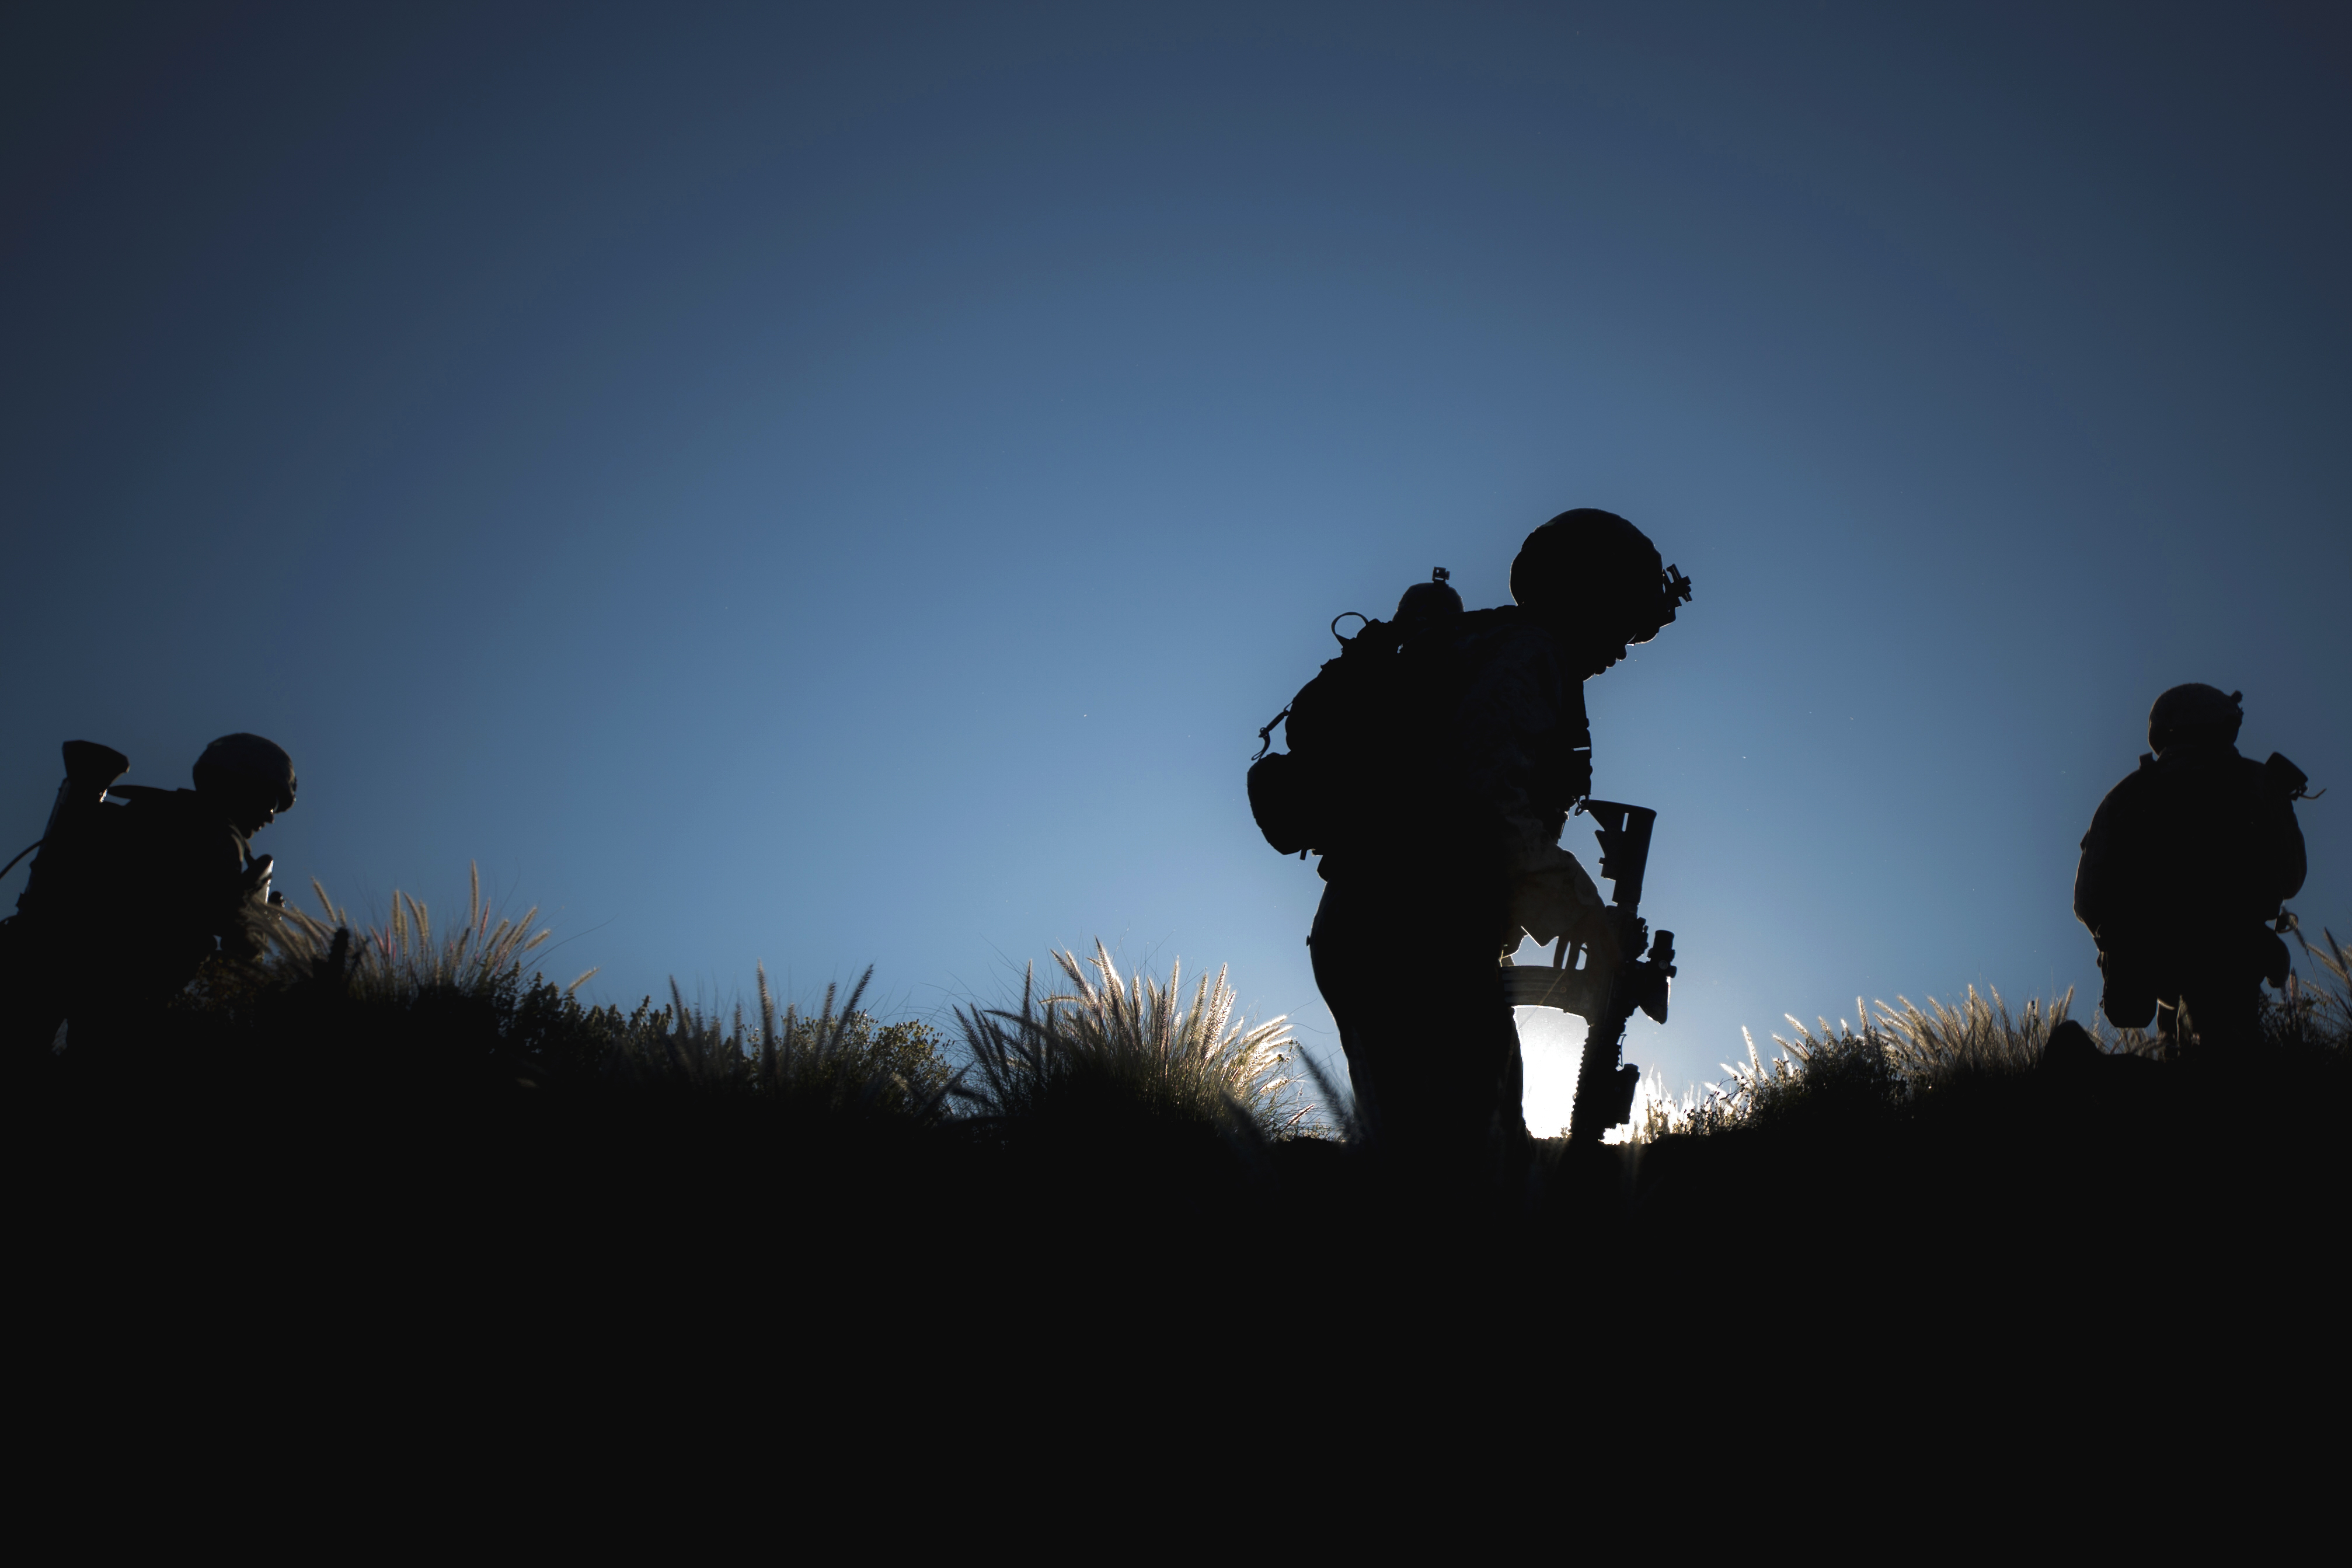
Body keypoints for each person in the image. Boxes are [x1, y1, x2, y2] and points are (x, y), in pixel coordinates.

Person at [1301, 510, 1690, 1170]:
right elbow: (1485, 799)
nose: (1625, 646)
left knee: (1416, 1156)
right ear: (1589, 593)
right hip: (1412, 931)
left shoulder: (1477, 647)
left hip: (1376, 925)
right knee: (1467, 1168)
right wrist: (1588, 917)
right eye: (1626, 620)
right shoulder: (1528, 652)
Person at [1, 733, 295, 1064]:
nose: (271, 815)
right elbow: (229, 937)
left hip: (44, 962)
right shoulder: (219, 837)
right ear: (241, 784)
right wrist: (262, 924)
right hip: (116, 990)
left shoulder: (150, 810)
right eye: (270, 799)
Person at [2073, 685, 2306, 1054]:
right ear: (2223, 724)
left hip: (2153, 958)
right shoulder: (2258, 782)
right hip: (2236, 954)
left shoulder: (2125, 795)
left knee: (2174, 1061)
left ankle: (2086, 1067)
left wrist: (2119, 945)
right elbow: (2292, 878)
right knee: (2232, 1058)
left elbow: (2088, 901)